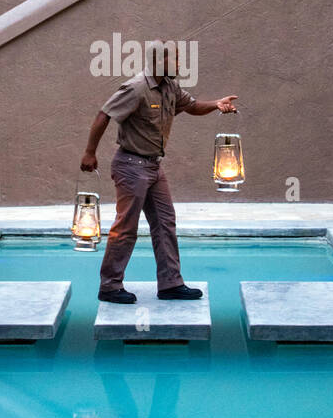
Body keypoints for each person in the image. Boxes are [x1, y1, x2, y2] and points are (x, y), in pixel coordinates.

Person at [80, 39, 237, 303]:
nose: (178, 64)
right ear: (159, 61)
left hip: (154, 167)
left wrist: (216, 104)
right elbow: (103, 114)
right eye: (175, 59)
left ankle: (170, 284)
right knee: (126, 227)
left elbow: (191, 106)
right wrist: (90, 152)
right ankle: (109, 286)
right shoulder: (136, 88)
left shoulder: (170, 87)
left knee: (165, 223)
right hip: (131, 166)